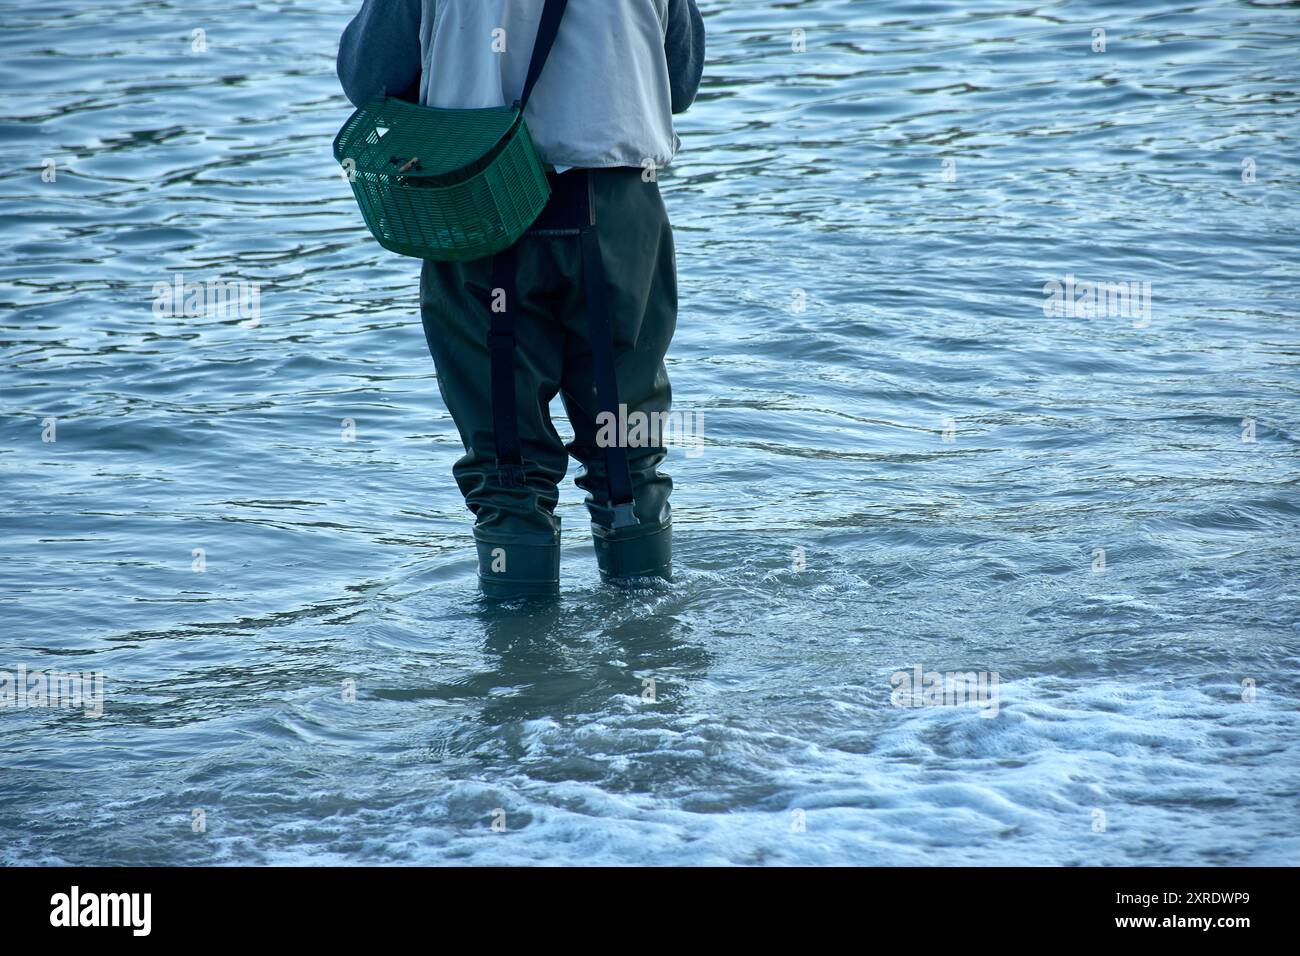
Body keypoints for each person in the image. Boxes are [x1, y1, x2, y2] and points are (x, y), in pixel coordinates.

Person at [337, 0, 706, 598]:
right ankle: (648, 653)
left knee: (507, 473)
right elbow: (680, 82)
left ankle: (519, 674)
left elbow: (370, 78)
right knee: (627, 455)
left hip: (477, 198)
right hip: (616, 206)